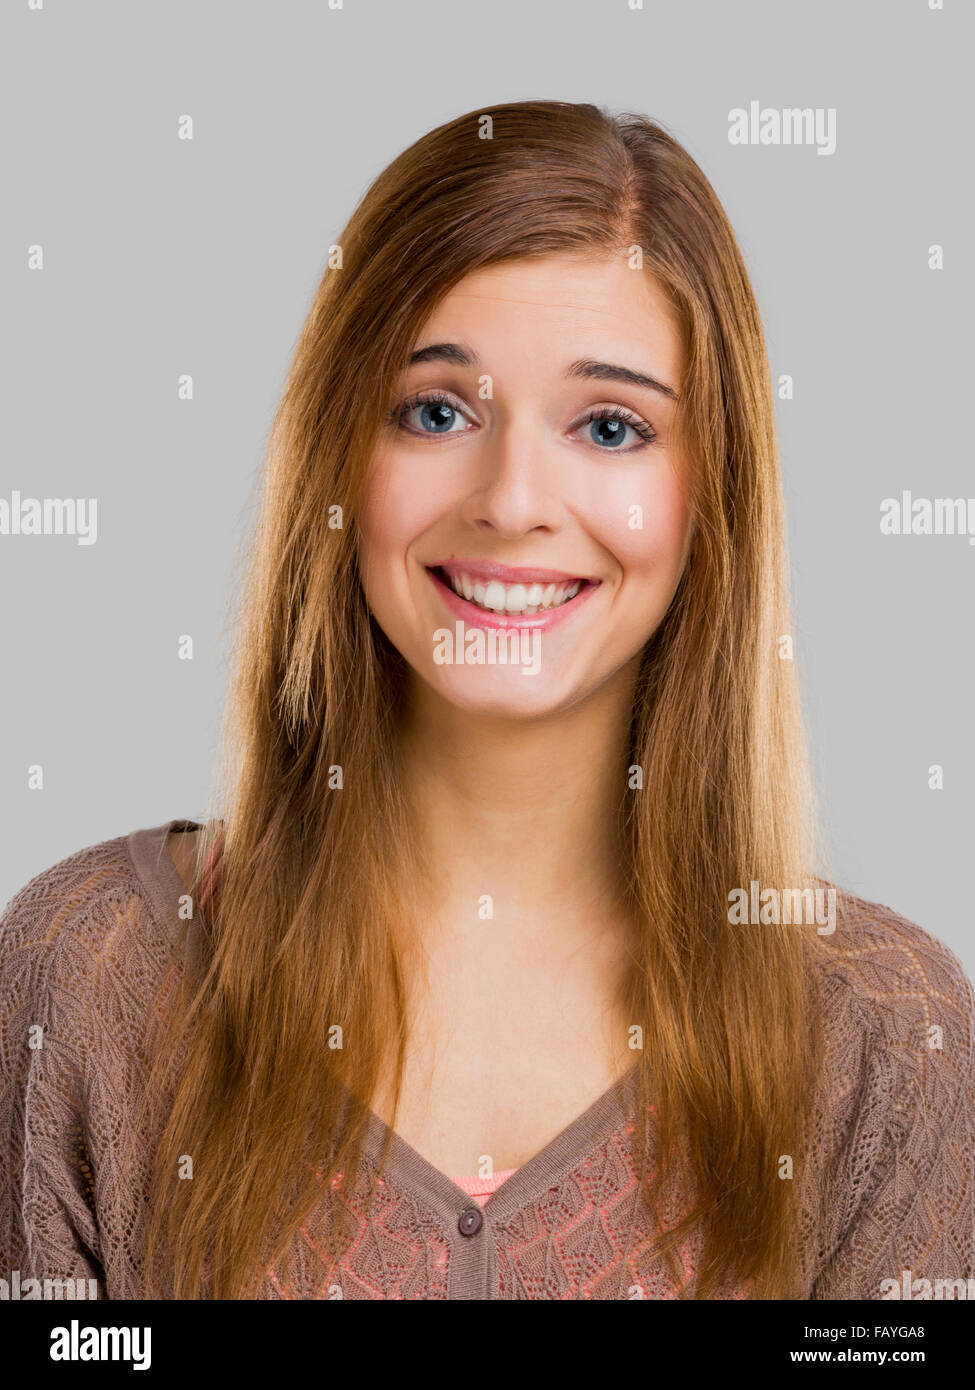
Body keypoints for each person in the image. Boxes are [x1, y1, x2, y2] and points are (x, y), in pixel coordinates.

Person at [2, 100, 972, 1301]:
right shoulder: (86, 972)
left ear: (705, 499)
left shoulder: (884, 1032)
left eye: (610, 426)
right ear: (338, 461)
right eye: (438, 410)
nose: (512, 498)